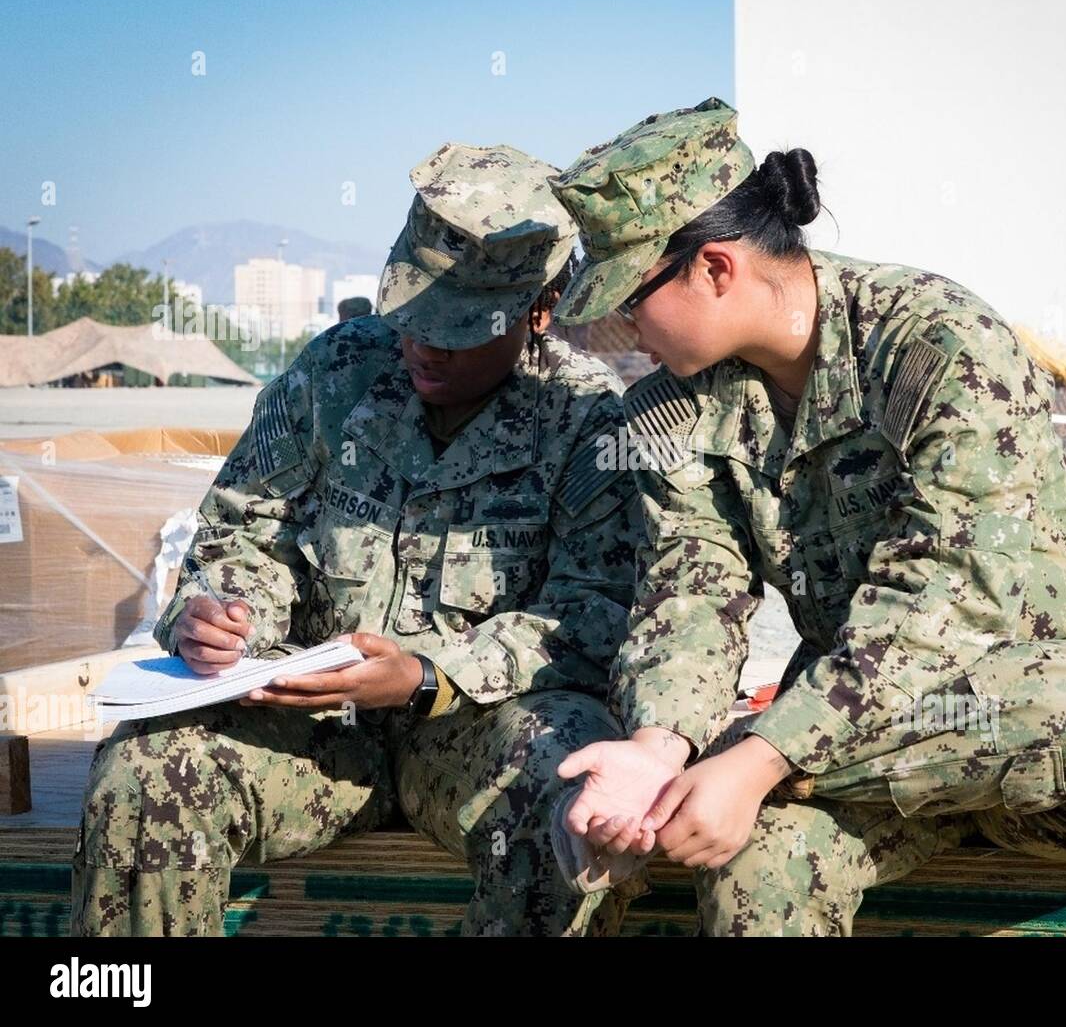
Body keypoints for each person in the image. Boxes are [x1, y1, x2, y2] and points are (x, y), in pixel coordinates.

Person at [547, 98, 1066, 936]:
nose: (621, 330)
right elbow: (689, 594)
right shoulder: (672, 410)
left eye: (630, 299)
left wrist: (759, 758)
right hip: (861, 760)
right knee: (757, 863)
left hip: (1062, 764)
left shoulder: (938, 345)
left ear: (716, 268)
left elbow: (945, 596)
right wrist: (659, 747)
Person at [71, 143, 646, 937]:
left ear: (538, 312)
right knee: (144, 770)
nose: (423, 346)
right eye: (411, 317)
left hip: (471, 737)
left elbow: (593, 621)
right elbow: (242, 533)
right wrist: (222, 613)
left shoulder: (587, 423)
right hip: (314, 737)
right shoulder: (335, 373)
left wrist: (424, 677)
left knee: (577, 787)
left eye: (455, 329)